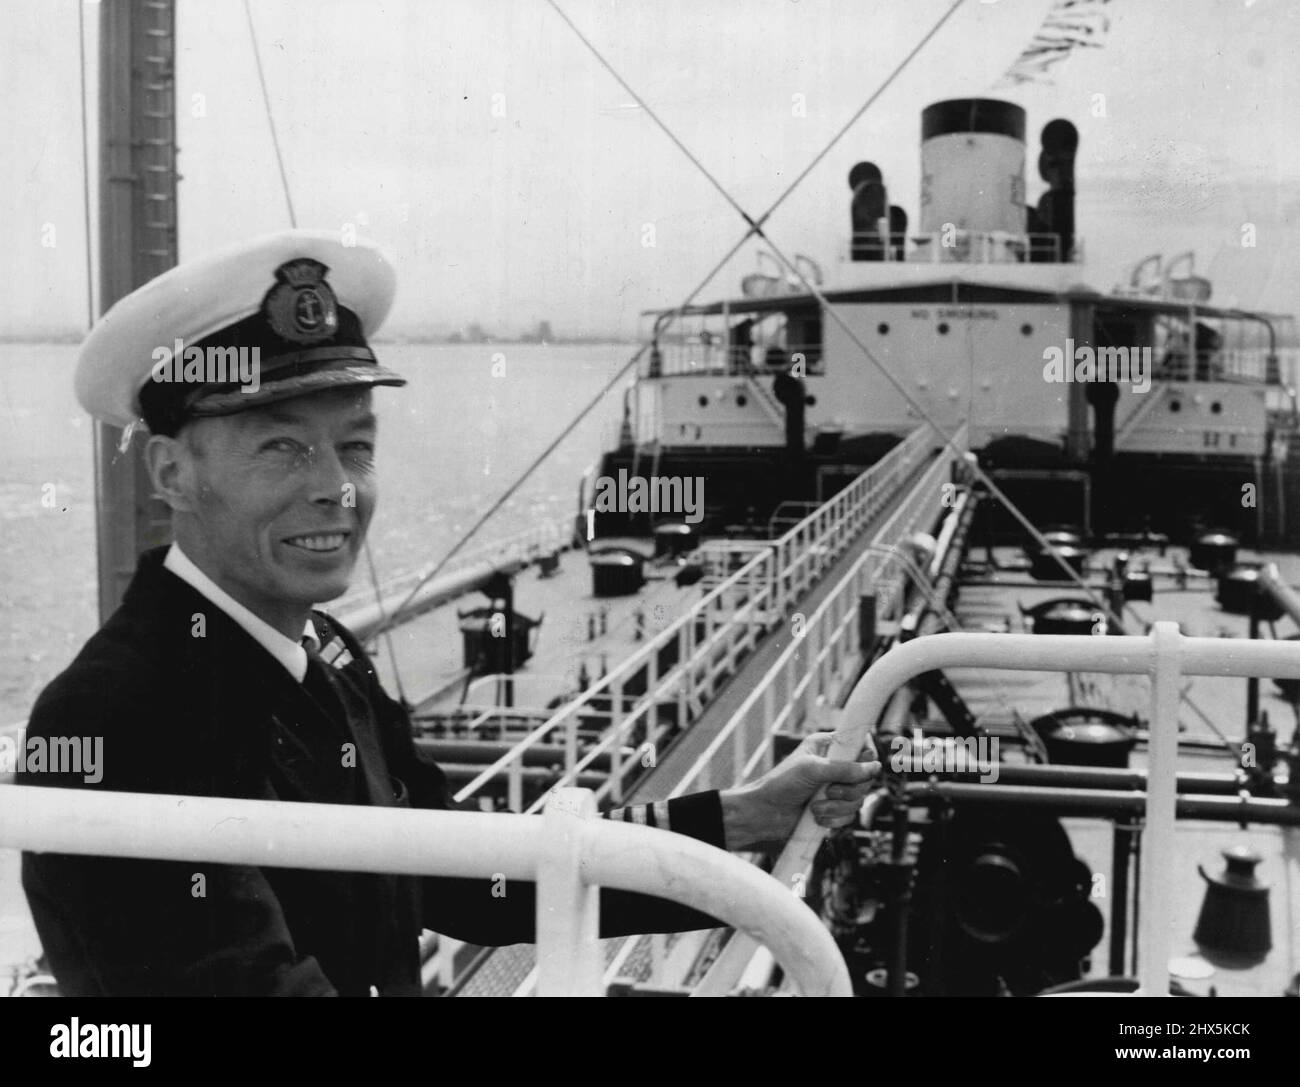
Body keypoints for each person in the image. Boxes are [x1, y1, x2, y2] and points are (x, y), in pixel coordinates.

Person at [19, 231, 879, 997]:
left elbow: (470, 869)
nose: (336, 486)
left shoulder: (321, 651)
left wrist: (740, 819)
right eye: (281, 446)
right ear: (171, 473)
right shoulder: (112, 720)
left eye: (355, 445)